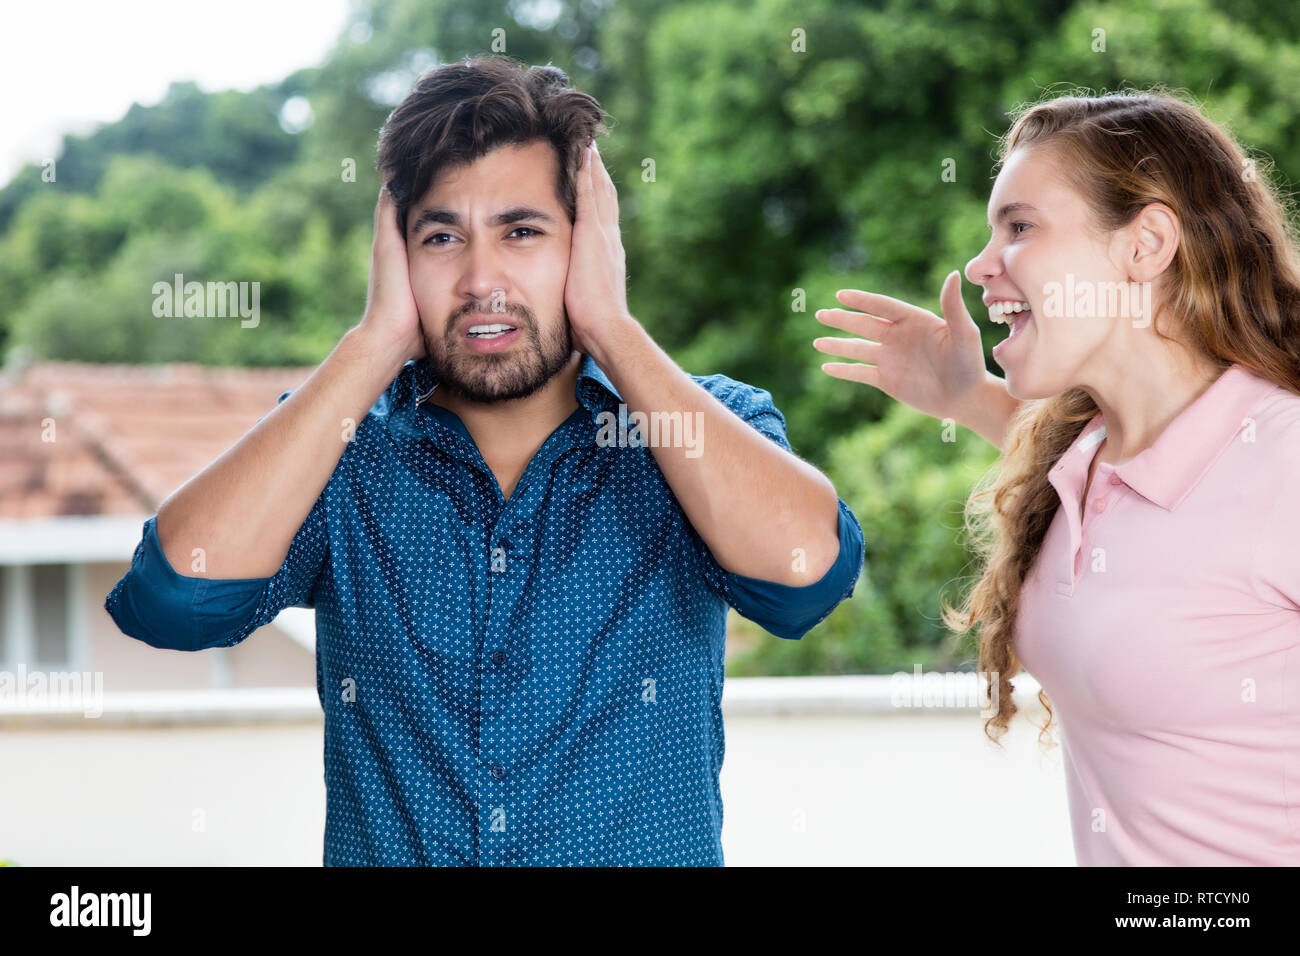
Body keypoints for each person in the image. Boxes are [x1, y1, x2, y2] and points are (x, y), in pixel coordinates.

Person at [105, 55, 865, 866]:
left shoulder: (699, 425)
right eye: (442, 238)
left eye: (522, 231)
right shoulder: (344, 447)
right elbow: (173, 600)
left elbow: (806, 580)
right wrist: (373, 345)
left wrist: (612, 324)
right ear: (396, 255)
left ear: (590, 240)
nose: (481, 280)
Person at [813, 90, 1300, 865]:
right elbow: (1164, 528)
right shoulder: (1091, 459)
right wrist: (963, 397)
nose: (979, 265)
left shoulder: (1282, 460)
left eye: (1020, 227)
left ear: (1145, 246)